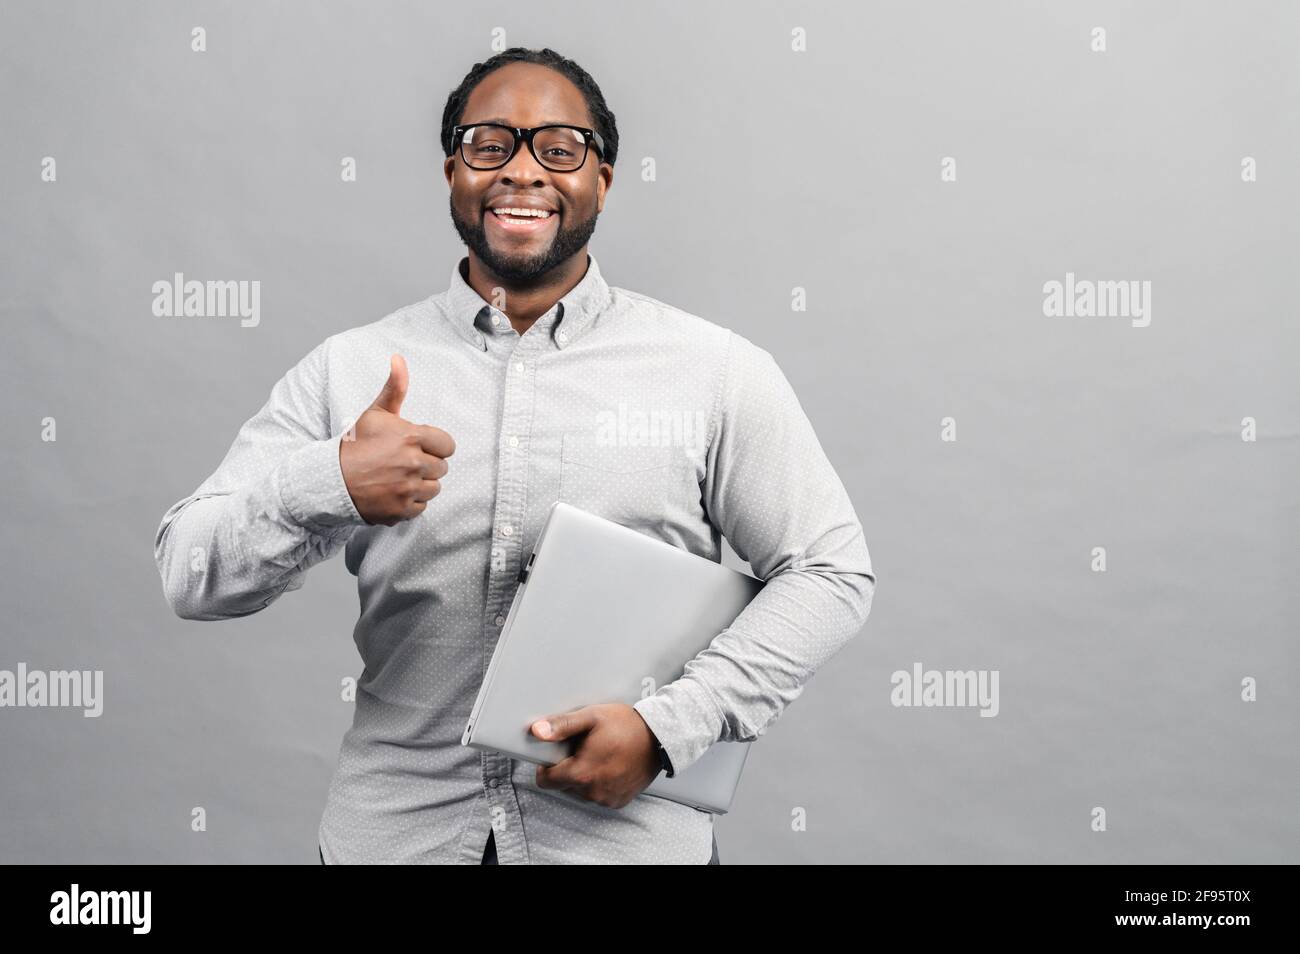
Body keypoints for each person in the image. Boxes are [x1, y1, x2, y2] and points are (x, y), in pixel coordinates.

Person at [156, 47, 876, 865]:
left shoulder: (716, 371)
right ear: (452, 171)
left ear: (601, 179)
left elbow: (831, 572)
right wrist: (330, 485)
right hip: (396, 840)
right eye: (489, 144)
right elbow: (189, 574)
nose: (523, 171)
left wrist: (668, 725)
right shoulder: (348, 370)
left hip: (629, 847)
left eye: (559, 148)